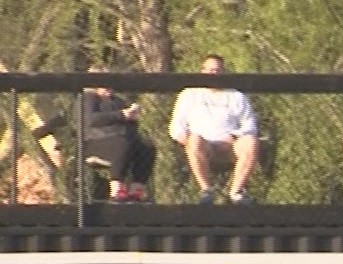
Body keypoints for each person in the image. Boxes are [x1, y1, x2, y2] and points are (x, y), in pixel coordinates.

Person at [169, 54, 259, 204]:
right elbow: (176, 128)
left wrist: (233, 136)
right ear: (202, 71)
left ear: (223, 72)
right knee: (195, 139)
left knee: (251, 141)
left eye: (217, 70)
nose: (213, 74)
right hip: (202, 146)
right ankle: (206, 190)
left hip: (230, 146)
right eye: (209, 70)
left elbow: (250, 126)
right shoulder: (189, 94)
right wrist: (190, 142)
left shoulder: (236, 96)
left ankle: (236, 193)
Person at [81, 75, 157, 202]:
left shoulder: (118, 101)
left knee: (147, 147)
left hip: (122, 138)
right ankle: (117, 189)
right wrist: (121, 114)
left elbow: (129, 124)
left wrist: (132, 116)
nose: (109, 88)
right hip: (95, 141)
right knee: (121, 143)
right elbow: (92, 120)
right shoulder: (88, 98)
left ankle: (136, 190)